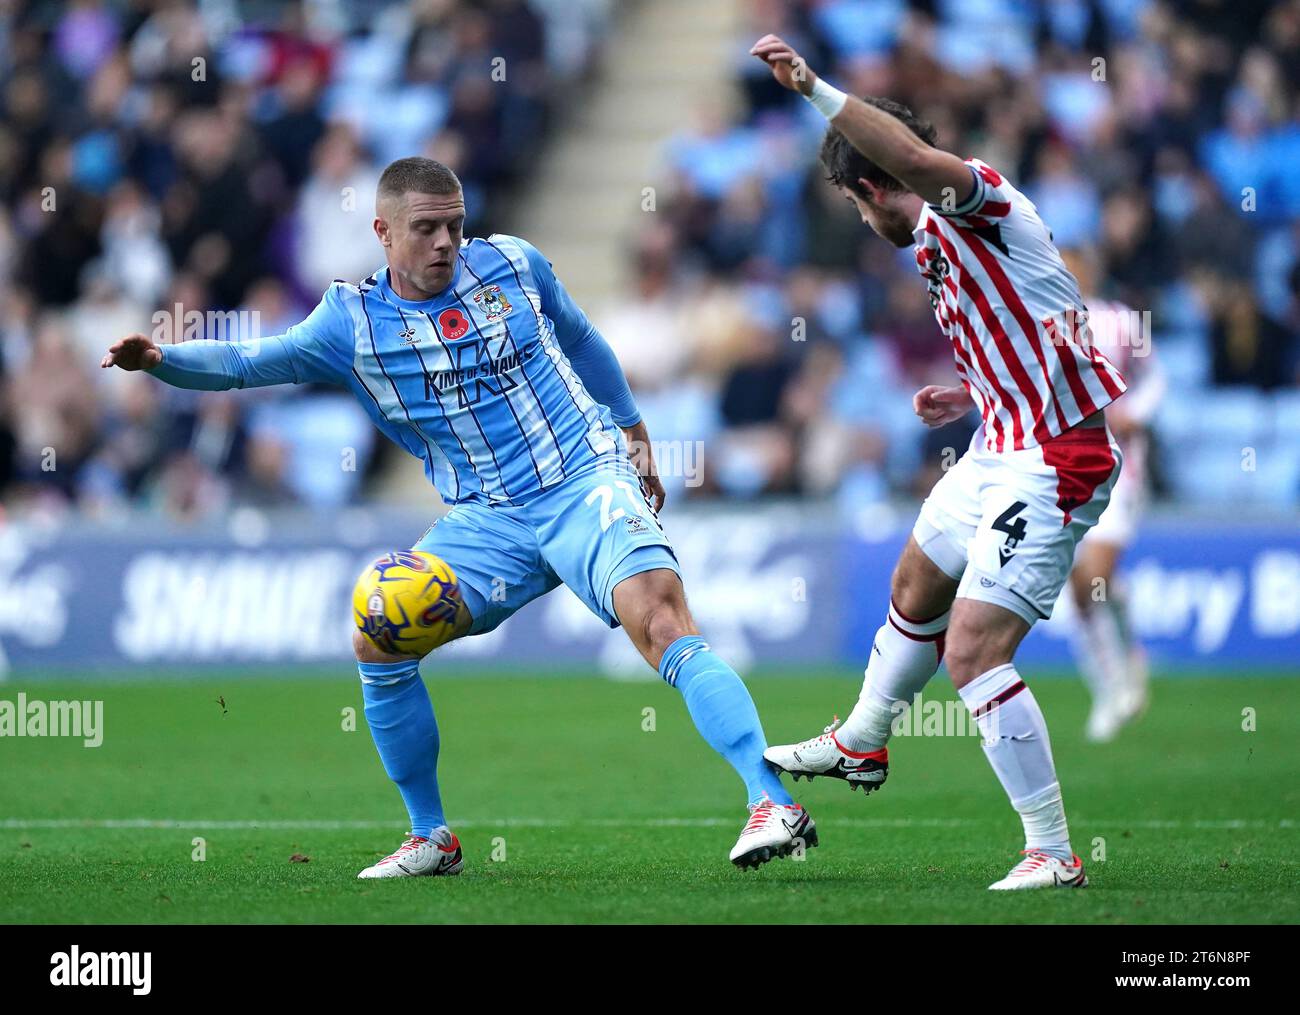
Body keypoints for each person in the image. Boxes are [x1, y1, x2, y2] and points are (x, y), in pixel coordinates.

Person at [101, 157, 813, 877]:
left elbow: (582, 338)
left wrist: (632, 428)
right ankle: (431, 837)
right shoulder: (350, 323)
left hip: (582, 477)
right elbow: (250, 359)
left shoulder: (512, 264)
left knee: (659, 620)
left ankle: (770, 799)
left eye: (455, 224)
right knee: (377, 630)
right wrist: (163, 360)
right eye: (427, 228)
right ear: (382, 232)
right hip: (486, 521)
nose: (446, 242)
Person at [749, 34, 1128, 890]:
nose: (860, 218)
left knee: (975, 653)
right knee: (916, 582)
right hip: (999, 440)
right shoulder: (931, 244)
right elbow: (1031, 323)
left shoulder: (978, 200)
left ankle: (1054, 851)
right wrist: (969, 393)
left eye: (856, 201)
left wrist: (812, 88)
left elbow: (918, 159)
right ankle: (863, 737)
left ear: (874, 186)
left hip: (1054, 456)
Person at [1060, 248, 1164, 742]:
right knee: (1081, 589)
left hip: (1118, 468)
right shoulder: (1041, 323)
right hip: (1060, 470)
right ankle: (1110, 681)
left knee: (1092, 576)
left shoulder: (1122, 322)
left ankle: (1114, 687)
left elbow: (1155, 378)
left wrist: (1136, 412)